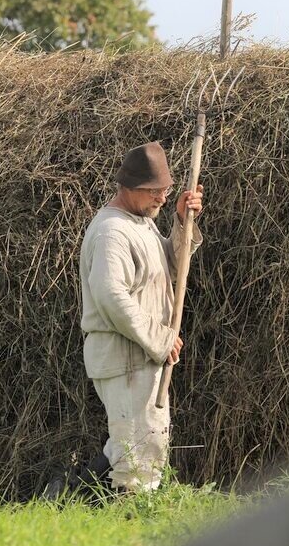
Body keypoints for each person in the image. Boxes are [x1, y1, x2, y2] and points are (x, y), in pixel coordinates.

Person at [77, 140, 203, 493]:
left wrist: (182, 221)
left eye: (165, 190)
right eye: (154, 192)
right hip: (126, 357)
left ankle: (70, 496)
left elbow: (173, 270)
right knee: (139, 451)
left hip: (139, 354)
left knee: (133, 442)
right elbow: (110, 295)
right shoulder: (112, 232)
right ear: (128, 188)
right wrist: (161, 339)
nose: (162, 198)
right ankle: (130, 523)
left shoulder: (141, 223)